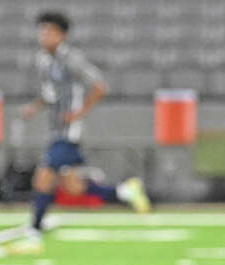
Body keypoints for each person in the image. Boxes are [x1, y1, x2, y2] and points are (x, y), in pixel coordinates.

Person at [16, 10, 150, 251]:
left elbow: (99, 86)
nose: (43, 36)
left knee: (44, 176)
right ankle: (125, 191)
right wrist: (35, 108)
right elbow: (51, 94)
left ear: (61, 35)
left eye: (48, 31)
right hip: (57, 129)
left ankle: (34, 230)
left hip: (70, 132)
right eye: (42, 31)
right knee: (72, 186)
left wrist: (79, 113)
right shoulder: (44, 61)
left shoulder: (71, 59)